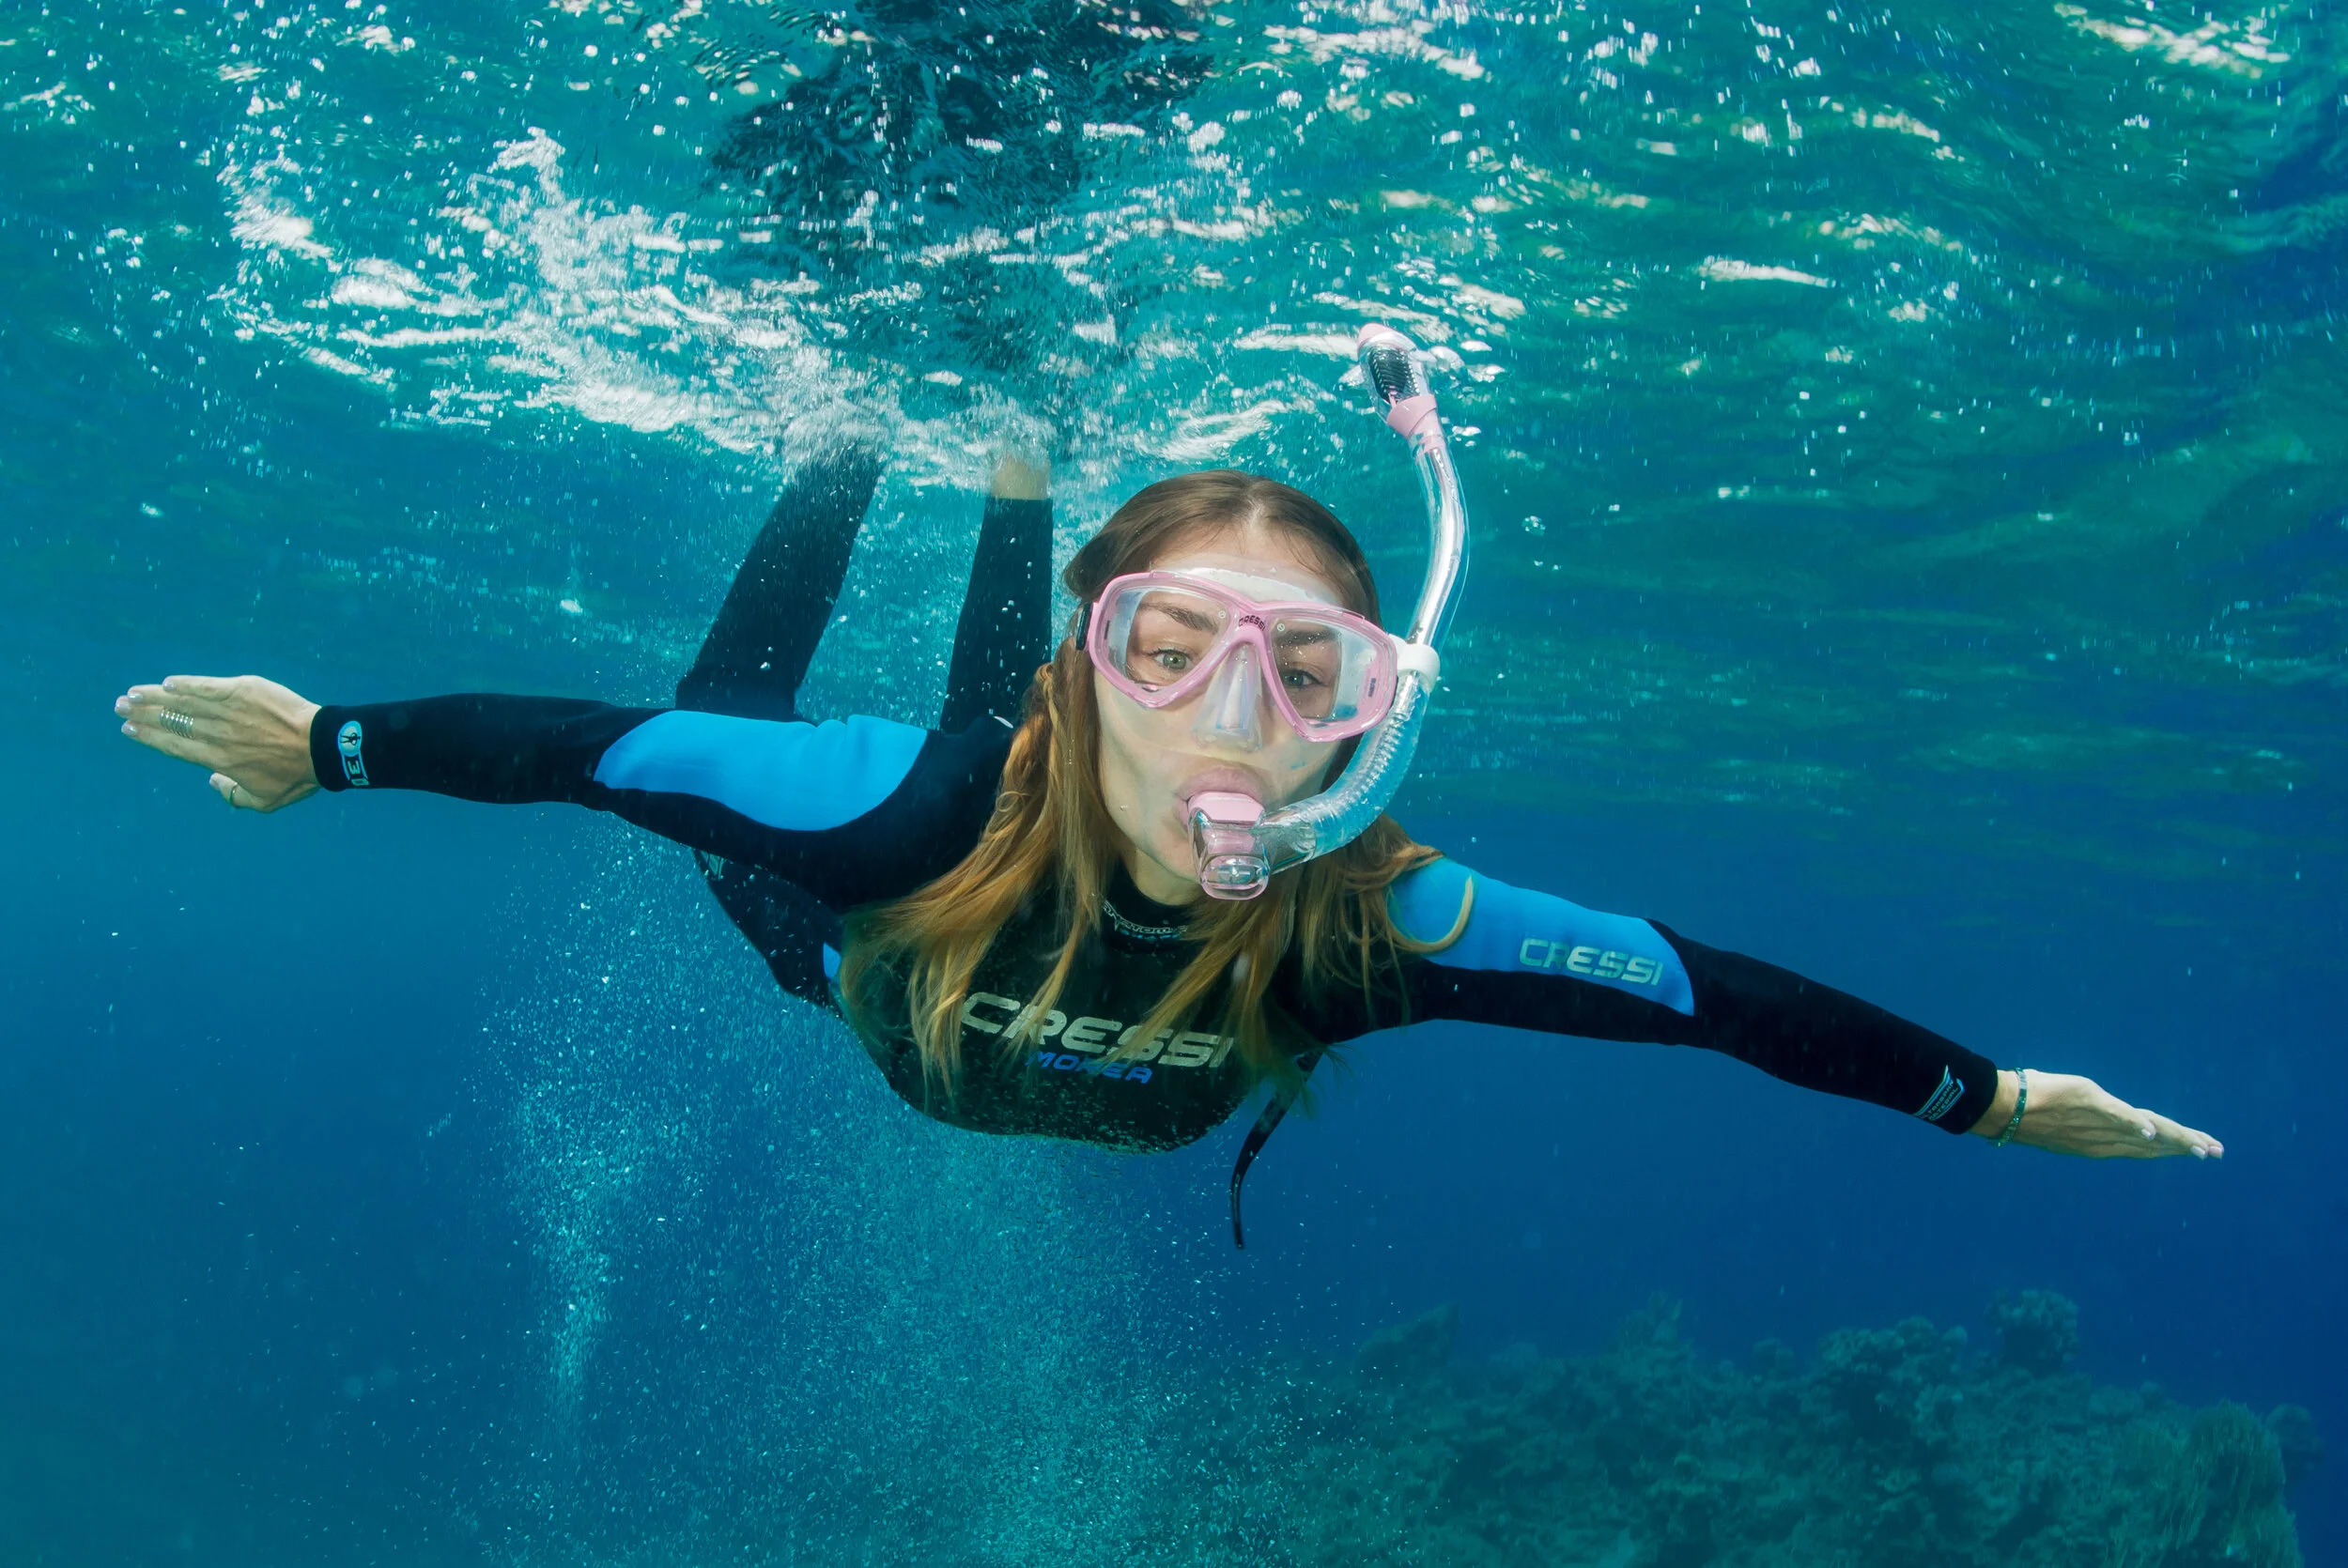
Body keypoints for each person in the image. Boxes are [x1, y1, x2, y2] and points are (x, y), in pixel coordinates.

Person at [115, 453, 2222, 1245]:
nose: (1229, 706)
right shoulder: (901, 805)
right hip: (849, 946)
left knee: (876, 758)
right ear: (1097, 665)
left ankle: (1007, 469)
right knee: (728, 749)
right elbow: (588, 746)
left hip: (977, 945)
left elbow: (1706, 998)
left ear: (1369, 707)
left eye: (1304, 667)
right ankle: (864, 445)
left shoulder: (1382, 922)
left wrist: (1988, 1097)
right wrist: (338, 743)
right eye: (1168, 640)